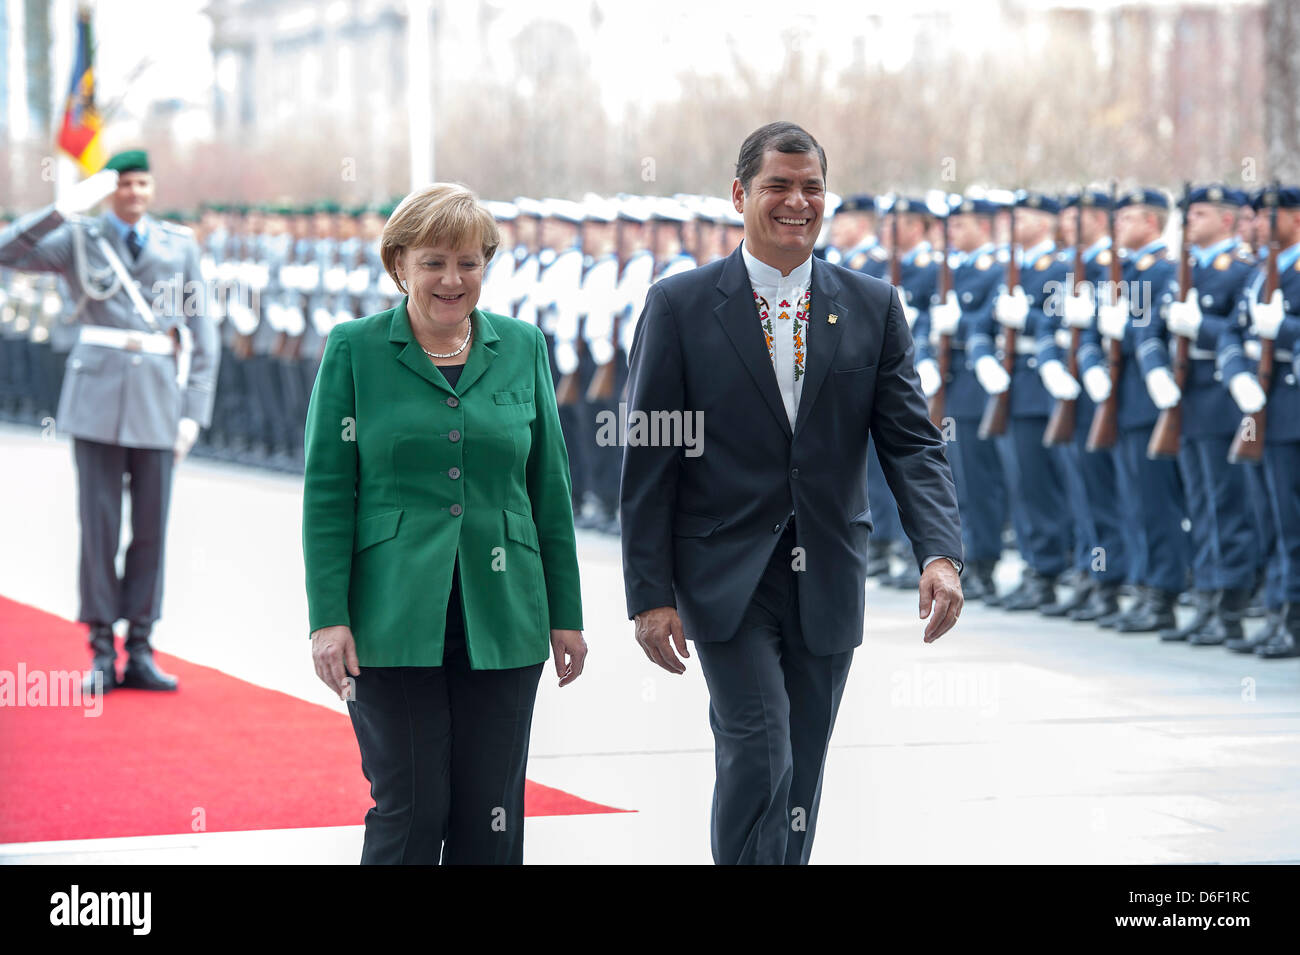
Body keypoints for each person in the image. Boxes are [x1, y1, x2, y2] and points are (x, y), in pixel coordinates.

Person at [620, 122, 964, 865]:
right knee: (759, 752)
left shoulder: (871, 306)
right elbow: (650, 460)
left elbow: (909, 440)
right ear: (741, 194)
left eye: (811, 187)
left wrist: (940, 551)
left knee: (801, 778)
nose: (797, 202)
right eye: (778, 185)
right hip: (724, 579)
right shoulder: (679, 306)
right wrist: (648, 593)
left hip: (829, 572)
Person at [303, 182, 587, 865]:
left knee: (491, 816)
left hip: (505, 618)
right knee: (411, 805)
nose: (452, 279)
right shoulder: (355, 349)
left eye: (468, 261)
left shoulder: (522, 347)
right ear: (399, 263)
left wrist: (566, 612)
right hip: (391, 619)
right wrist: (327, 616)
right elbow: (327, 493)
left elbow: (548, 488)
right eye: (433, 261)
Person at [0, 149, 219, 695]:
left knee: (150, 529)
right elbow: (8, 251)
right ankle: (101, 648)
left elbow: (203, 332)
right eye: (123, 184)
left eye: (143, 183)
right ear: (107, 190)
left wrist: (193, 414)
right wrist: (62, 208)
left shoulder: (178, 245)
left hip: (158, 402)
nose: (135, 193)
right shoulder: (79, 237)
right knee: (98, 529)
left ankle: (140, 646)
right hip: (96, 397)